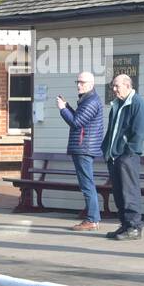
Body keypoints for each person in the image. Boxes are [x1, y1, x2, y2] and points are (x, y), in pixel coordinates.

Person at [101, 73, 144, 241]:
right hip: (114, 156)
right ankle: (125, 225)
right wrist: (106, 148)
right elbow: (112, 130)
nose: (114, 90)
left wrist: (127, 152)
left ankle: (134, 227)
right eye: (112, 86)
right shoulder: (117, 104)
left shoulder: (137, 103)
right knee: (119, 193)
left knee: (130, 192)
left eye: (117, 86)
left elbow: (140, 131)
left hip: (127, 156)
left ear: (128, 86)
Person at [57, 71, 104, 231]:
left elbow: (76, 122)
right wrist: (68, 106)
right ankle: (93, 218)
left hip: (84, 148)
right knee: (87, 184)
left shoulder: (91, 101)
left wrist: (63, 109)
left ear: (91, 84)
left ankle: (92, 219)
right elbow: (80, 118)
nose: (78, 85)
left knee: (87, 185)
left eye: (82, 82)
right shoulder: (87, 100)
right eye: (77, 81)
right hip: (83, 147)